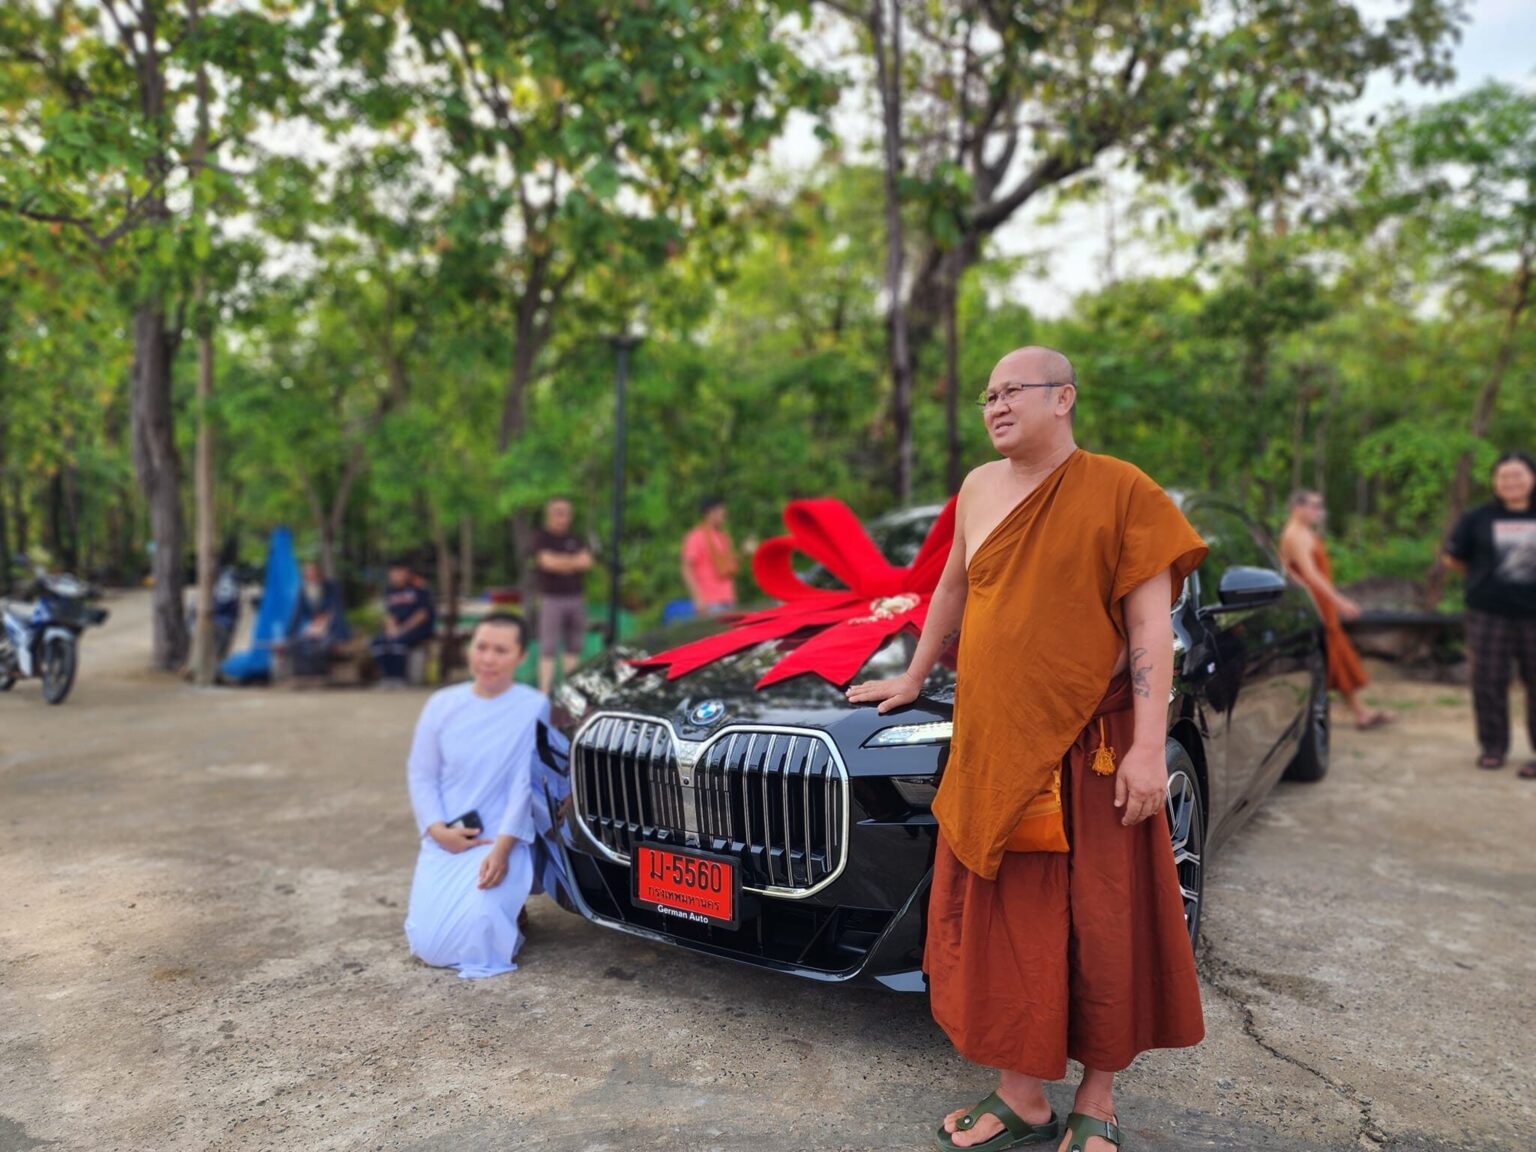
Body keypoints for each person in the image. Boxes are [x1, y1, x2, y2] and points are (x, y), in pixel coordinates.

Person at [847, 346, 1206, 1152]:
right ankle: (1024, 1099)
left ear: (1065, 397)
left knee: (1102, 919)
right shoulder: (978, 487)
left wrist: (1151, 747)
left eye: (1015, 391)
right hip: (994, 741)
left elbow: (1152, 627)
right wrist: (910, 676)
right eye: (988, 395)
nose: (997, 405)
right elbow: (953, 586)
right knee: (1010, 923)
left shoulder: (1122, 491)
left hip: (1091, 751)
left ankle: (1099, 1101)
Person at [404, 613, 547, 977]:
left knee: (480, 938)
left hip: (501, 836)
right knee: (429, 945)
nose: (487, 658)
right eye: (481, 646)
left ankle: (511, 904)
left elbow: (524, 784)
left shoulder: (533, 706)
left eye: (501, 650)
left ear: (521, 656)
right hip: (447, 835)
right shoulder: (441, 703)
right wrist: (437, 831)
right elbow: (422, 774)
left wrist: (501, 850)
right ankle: (506, 907)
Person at [1444, 451, 1536, 775]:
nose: (1511, 482)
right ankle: (1493, 748)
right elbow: (1454, 558)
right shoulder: (1477, 517)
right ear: (1495, 481)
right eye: (1504, 476)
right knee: (1488, 681)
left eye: (1518, 475)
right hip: (1488, 613)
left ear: (1532, 478)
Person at [1278, 489, 1392, 730]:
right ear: (1298, 507)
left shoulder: (1304, 532)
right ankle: (1358, 712)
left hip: (1323, 603)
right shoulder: (1294, 534)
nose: (1319, 511)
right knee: (1331, 653)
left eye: (1320, 506)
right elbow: (1309, 575)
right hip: (1316, 605)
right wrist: (1340, 601)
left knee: (1336, 651)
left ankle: (1359, 711)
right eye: (1314, 506)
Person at [533, 497, 593, 694]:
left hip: (575, 597)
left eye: (566, 512)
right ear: (549, 514)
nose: (562, 517)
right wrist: (572, 562)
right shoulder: (542, 537)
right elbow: (547, 562)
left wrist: (562, 562)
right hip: (552, 599)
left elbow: (587, 562)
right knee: (548, 646)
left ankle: (569, 690)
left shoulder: (575, 538)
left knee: (574, 645)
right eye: (558, 512)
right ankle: (544, 691)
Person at [370, 560, 434, 686]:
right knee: (378, 641)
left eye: (399, 572)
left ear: (407, 573)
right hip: (398, 628)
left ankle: (398, 677)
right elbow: (389, 614)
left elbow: (422, 614)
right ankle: (387, 677)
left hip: (418, 628)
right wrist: (392, 627)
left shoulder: (418, 588)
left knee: (398, 641)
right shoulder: (390, 590)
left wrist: (404, 628)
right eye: (393, 573)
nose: (396, 576)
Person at [286, 561, 349, 678]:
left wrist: (326, 621)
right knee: (300, 641)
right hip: (314, 625)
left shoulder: (330, 587)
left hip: (331, 623)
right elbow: (297, 613)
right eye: (308, 572)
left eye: (313, 571)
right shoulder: (303, 591)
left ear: (318, 572)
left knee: (325, 642)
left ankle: (322, 671)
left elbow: (336, 609)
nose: (311, 574)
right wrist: (289, 633)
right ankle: (306, 672)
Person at [681, 496, 739, 616]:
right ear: (709, 513)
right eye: (720, 510)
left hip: (728, 599)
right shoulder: (695, 537)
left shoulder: (723, 537)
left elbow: (727, 566)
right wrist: (697, 598)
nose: (724, 514)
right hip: (710, 602)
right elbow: (686, 568)